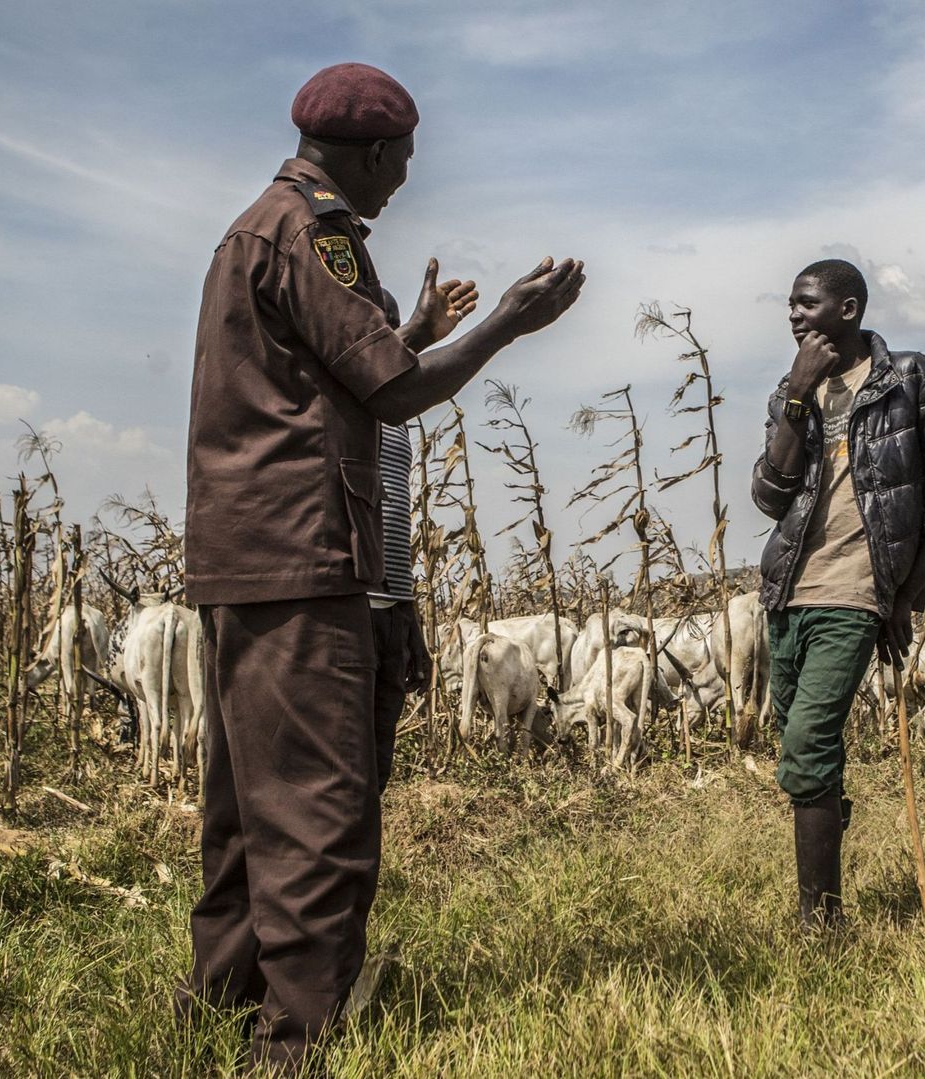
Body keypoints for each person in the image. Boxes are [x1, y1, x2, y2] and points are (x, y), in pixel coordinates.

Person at [180, 61, 584, 1072]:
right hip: (304, 561)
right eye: (400, 158)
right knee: (320, 810)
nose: (404, 177)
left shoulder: (256, 231)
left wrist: (412, 335)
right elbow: (393, 393)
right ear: (366, 151)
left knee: (243, 813)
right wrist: (510, 325)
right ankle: (295, 1049)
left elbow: (336, 386)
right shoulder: (315, 236)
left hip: (245, 562)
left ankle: (212, 1015)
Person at [750, 258, 925, 929]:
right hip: (788, 592)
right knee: (804, 752)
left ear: (847, 310)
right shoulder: (790, 392)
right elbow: (770, 497)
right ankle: (824, 898)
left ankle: (818, 922)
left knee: (807, 740)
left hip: (858, 592)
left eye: (806, 303)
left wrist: (907, 590)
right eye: (791, 305)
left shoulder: (912, 380)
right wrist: (797, 399)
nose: (794, 314)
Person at [371, 267, 479, 795]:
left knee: (374, 769)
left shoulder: (398, 423)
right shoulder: (340, 412)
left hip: (387, 609)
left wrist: (406, 609)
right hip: (342, 608)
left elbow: (395, 523)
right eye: (383, 332)